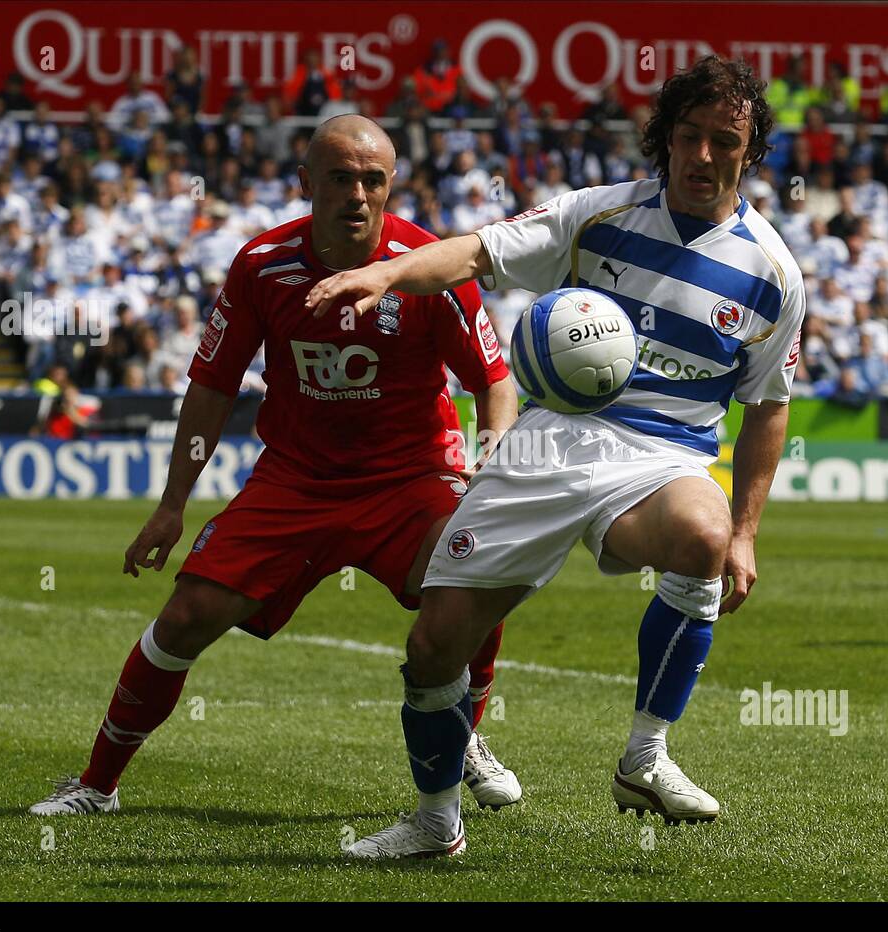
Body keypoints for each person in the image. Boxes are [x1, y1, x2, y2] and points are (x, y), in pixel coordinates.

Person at [309, 55, 805, 859]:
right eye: (690, 136)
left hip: (664, 455)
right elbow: (476, 253)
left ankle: (645, 757)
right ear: (665, 139)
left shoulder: (772, 271)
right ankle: (435, 821)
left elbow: (768, 408)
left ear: (751, 154)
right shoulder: (596, 215)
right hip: (551, 438)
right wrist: (393, 270)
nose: (704, 155)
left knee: (704, 539)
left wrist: (746, 530)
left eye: (726, 141)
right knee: (436, 645)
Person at [28, 115, 523, 816]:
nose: (358, 194)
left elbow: (494, 380)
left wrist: (494, 449)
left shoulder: (430, 267)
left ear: (391, 185)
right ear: (305, 184)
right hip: (298, 478)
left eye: (373, 180)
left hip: (410, 477)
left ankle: (464, 733)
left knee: (474, 569)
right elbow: (211, 384)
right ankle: (96, 784)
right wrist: (173, 504)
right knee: (186, 614)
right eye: (340, 178)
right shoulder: (262, 266)